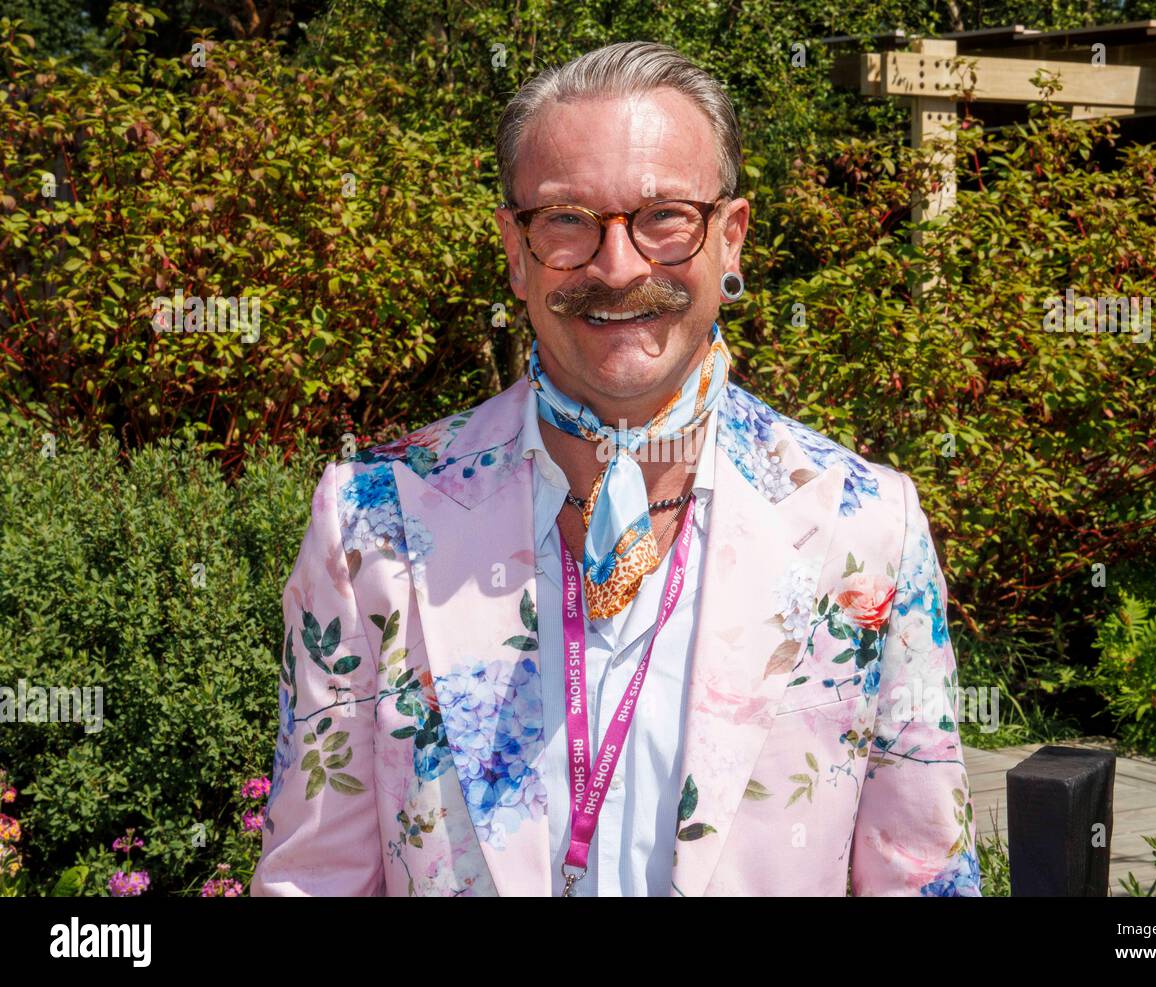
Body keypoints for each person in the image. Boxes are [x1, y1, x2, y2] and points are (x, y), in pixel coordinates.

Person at [251, 40, 981, 897]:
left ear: (731, 240)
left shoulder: (867, 527)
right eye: (567, 220)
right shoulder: (371, 522)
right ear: (516, 251)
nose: (619, 265)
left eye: (665, 215)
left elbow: (922, 879)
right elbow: (315, 882)